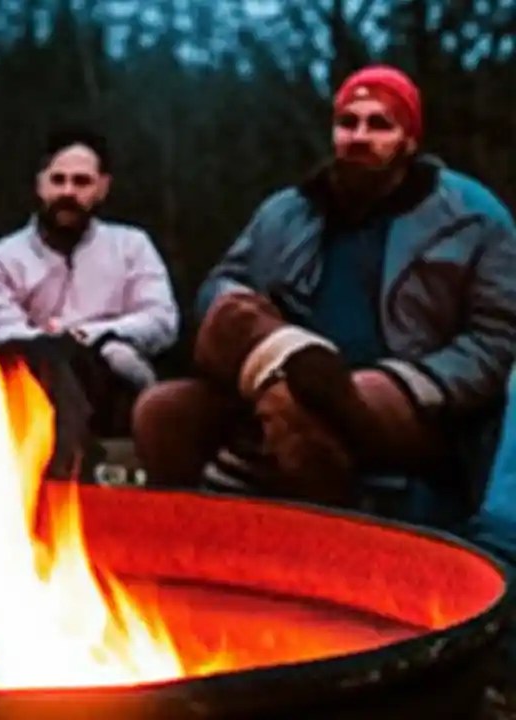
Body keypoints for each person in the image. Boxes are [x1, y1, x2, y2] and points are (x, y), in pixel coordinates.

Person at [132, 65, 516, 519]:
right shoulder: (289, 211)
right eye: (347, 123)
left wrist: (413, 382)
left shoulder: (472, 216)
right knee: (162, 409)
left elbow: (496, 339)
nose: (359, 136)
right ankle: (187, 544)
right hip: (277, 382)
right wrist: (256, 336)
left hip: (407, 400)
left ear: (409, 140)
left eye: (379, 125)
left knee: (302, 405)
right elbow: (223, 283)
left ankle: (302, 535)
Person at [0, 128, 178, 476]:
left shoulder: (131, 246)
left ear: (102, 188)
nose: (68, 192)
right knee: (46, 361)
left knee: (103, 359)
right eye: (58, 180)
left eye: (81, 182)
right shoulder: (2, 257)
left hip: (111, 374)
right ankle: (69, 475)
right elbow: (2, 332)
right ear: (40, 185)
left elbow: (162, 320)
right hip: (34, 383)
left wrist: (89, 333)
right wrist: (56, 345)